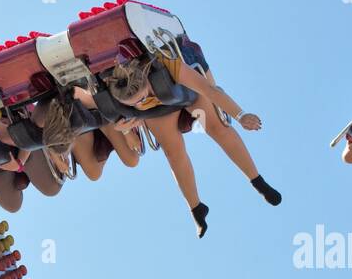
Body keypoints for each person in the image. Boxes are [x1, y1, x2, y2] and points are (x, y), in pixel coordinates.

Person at [107, 42, 279, 237]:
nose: (139, 102)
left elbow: (211, 91)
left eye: (141, 97)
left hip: (187, 91)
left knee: (216, 128)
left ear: (147, 79)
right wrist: (127, 129)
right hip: (157, 109)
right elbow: (116, 119)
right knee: (173, 152)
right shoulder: (111, 89)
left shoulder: (168, 64)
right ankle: (197, 209)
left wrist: (241, 116)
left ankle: (258, 182)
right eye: (134, 103)